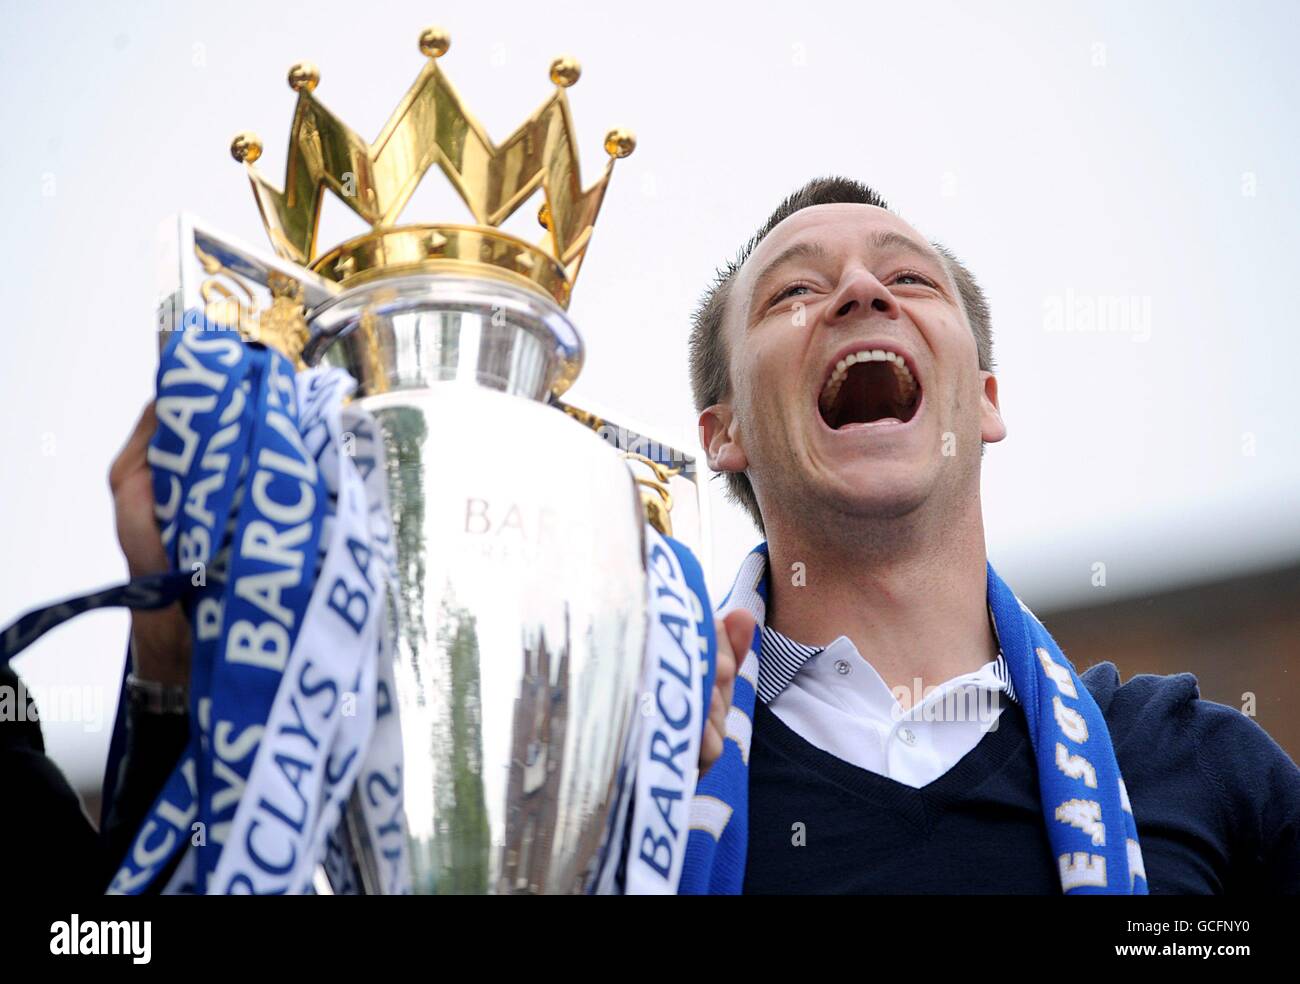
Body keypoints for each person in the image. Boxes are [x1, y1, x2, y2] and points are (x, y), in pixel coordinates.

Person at [681, 175, 1300, 894]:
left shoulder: (1193, 760)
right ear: (724, 434)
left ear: (984, 401)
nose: (861, 292)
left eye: (909, 278)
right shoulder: (654, 772)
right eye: (793, 294)